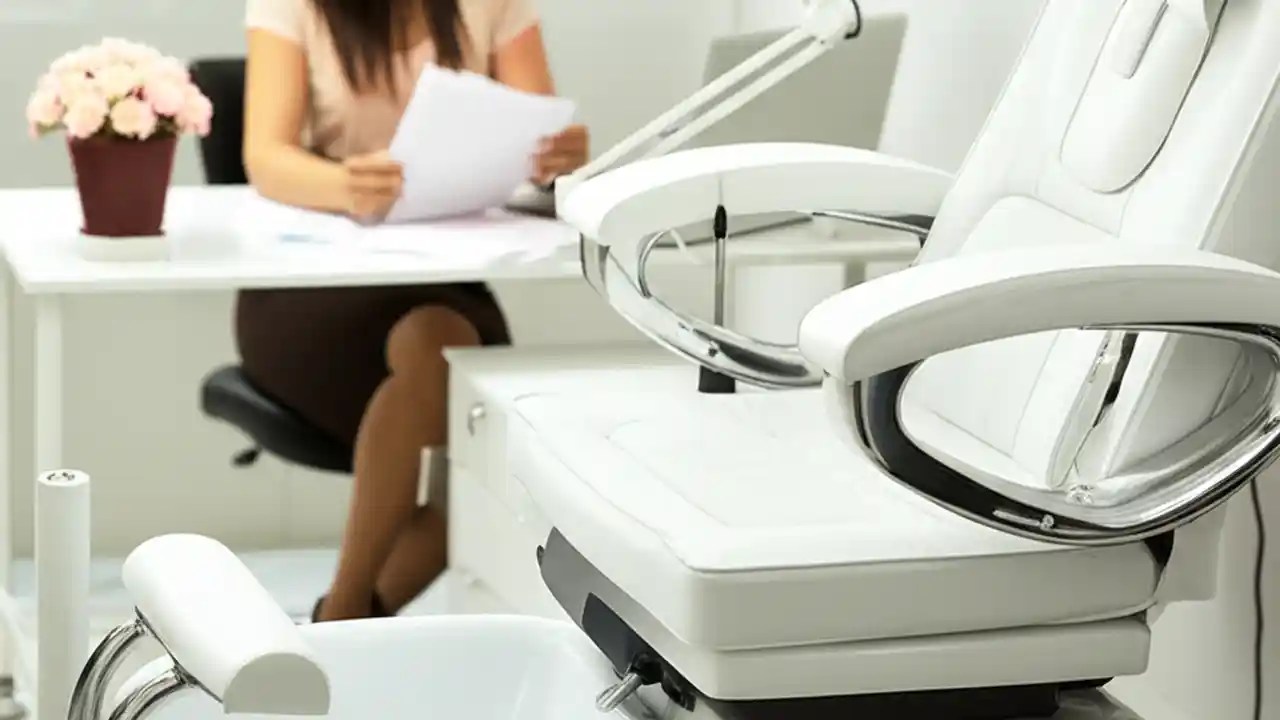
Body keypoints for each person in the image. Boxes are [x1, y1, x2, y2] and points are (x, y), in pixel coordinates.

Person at [237, 0, 589, 622]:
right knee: (446, 365)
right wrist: (345, 184)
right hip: (313, 284)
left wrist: (557, 158)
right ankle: (345, 620)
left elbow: (536, 132)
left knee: (480, 467)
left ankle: (337, 629)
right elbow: (265, 155)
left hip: (443, 275)